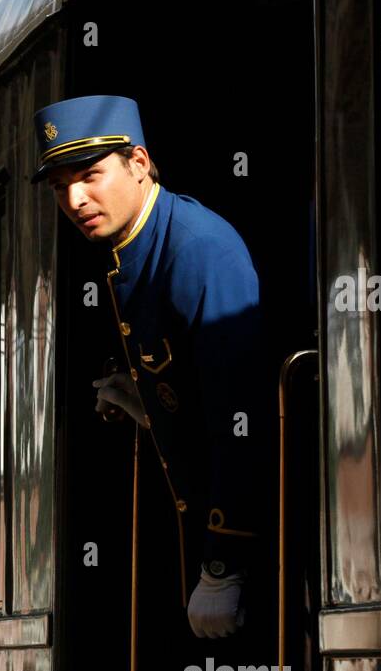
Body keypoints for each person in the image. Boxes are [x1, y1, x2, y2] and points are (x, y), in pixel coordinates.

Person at [31, 94, 269, 639]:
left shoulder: (196, 249)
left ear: (139, 162)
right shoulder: (135, 245)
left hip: (240, 566)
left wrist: (222, 565)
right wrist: (147, 405)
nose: (75, 198)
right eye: (59, 185)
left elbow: (243, 418)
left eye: (90, 174)